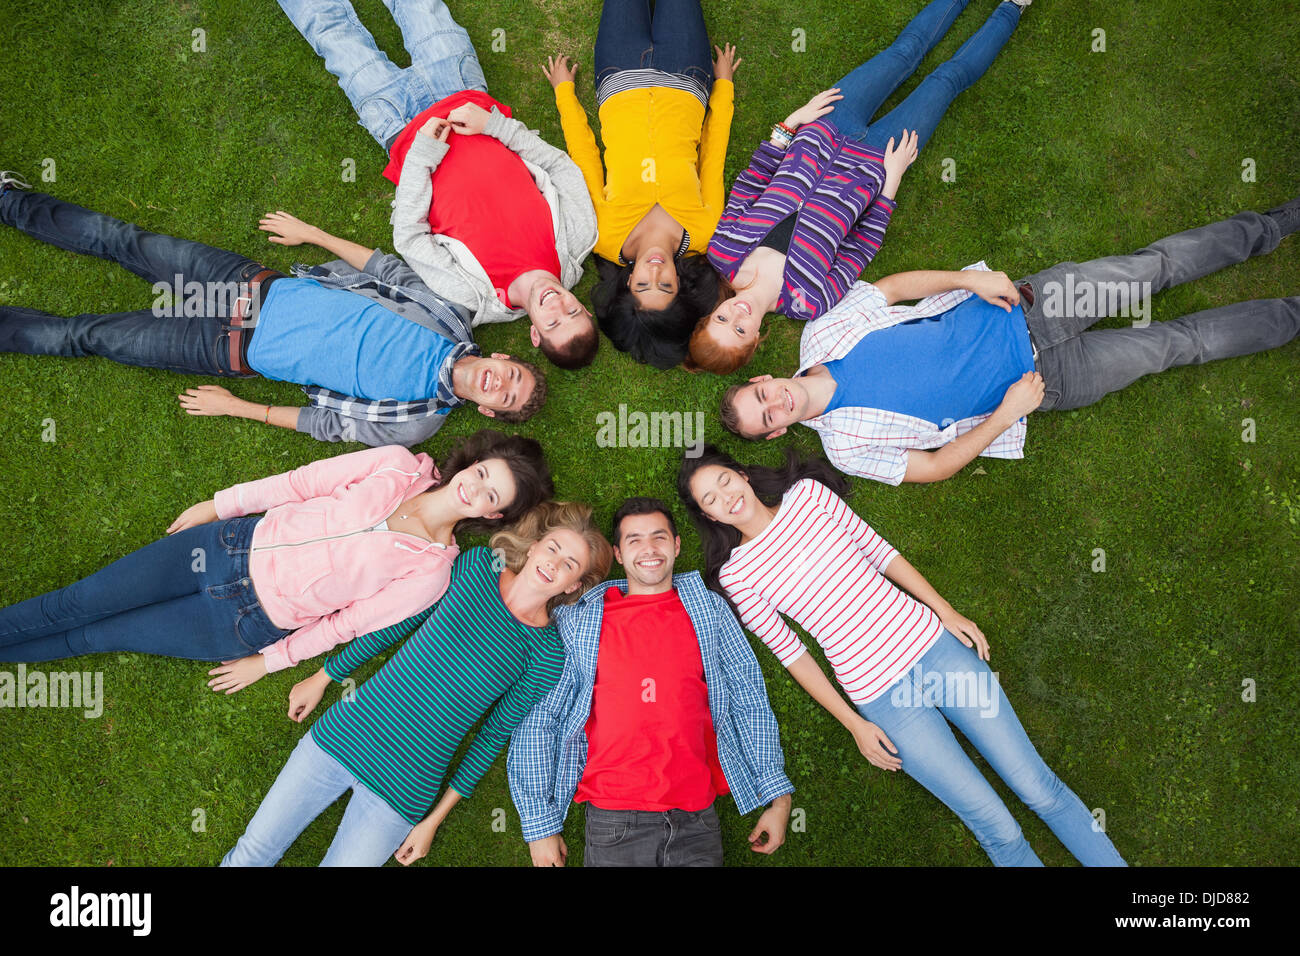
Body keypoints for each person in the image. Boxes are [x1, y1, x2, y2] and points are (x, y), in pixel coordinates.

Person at [678, 445, 1127, 867]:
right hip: (881, 698)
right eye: (711, 499)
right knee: (998, 828)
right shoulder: (736, 575)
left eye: (724, 481)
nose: (726, 497)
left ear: (741, 473)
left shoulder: (809, 497)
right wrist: (855, 725)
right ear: (707, 515)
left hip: (935, 649)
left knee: (1040, 788)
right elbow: (791, 653)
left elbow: (879, 552)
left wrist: (946, 611)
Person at [720, 198, 1300, 484]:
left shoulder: (823, 332)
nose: (776, 403)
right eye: (767, 417)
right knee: (1177, 346)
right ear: (776, 432)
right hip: (1049, 384)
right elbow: (937, 465)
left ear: (762, 380)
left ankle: (1273, 226)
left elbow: (892, 289)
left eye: (763, 395)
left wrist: (966, 278)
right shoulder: (845, 448)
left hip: (1028, 306)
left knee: (1157, 267)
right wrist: (1006, 415)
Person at [0, 176, 546, 446]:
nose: (501, 384)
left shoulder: (418, 421)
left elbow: (326, 424)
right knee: (123, 239)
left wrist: (236, 406)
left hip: (223, 348)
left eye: (506, 398)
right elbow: (386, 268)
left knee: (88, 336)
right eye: (514, 376)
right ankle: (10, 201)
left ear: (489, 412)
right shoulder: (450, 314)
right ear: (504, 356)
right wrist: (311, 233)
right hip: (243, 285)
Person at [0, 432, 553, 694]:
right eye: (482, 474)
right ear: (474, 461)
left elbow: (347, 626)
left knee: (94, 638)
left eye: (491, 497)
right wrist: (221, 504)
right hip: (226, 547)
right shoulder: (394, 464)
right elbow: (302, 481)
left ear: (495, 516)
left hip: (242, 622)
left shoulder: (432, 572)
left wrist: (269, 662)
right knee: (77, 602)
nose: (474, 491)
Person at [221, 502, 614, 866]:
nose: (554, 563)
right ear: (534, 547)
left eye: (569, 564)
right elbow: (397, 621)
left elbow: (493, 737)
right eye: (553, 548)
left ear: (572, 586)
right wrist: (326, 676)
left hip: (405, 789)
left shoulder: (547, 655)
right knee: (253, 851)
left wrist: (433, 821)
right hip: (344, 737)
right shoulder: (477, 568)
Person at [688, 0, 1032, 374]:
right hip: (879, 159)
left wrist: (791, 123)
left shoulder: (723, 253)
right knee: (946, 80)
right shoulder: (810, 302)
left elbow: (751, 183)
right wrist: (892, 178)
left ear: (711, 313)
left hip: (823, 127)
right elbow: (861, 246)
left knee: (905, 50)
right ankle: (1012, 8)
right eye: (740, 330)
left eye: (722, 320)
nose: (737, 314)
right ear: (755, 339)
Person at [276, 0, 600, 369]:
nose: (556, 304)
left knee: (328, 28)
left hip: (398, 120)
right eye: (572, 311)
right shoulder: (579, 239)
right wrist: (494, 126)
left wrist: (423, 152)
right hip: (461, 86)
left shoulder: (473, 299)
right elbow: (559, 166)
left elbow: (410, 237)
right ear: (585, 309)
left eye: (553, 322)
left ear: (535, 334)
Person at [508, 497, 794, 867]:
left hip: (698, 819)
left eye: (659, 538)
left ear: (676, 546)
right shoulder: (580, 622)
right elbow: (542, 715)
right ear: (619, 554)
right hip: (615, 818)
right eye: (634, 540)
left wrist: (778, 798)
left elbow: (748, 697)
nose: (649, 549)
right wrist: (539, 826)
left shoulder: (709, 610)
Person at [542, 0, 740, 368]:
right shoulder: (704, 231)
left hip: (619, 76)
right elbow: (713, 158)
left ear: (626, 283)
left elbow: (584, 161)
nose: (654, 272)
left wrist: (564, 95)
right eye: (664, 285)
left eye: (642, 285)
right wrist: (724, 89)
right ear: (679, 287)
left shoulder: (603, 237)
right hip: (687, 76)